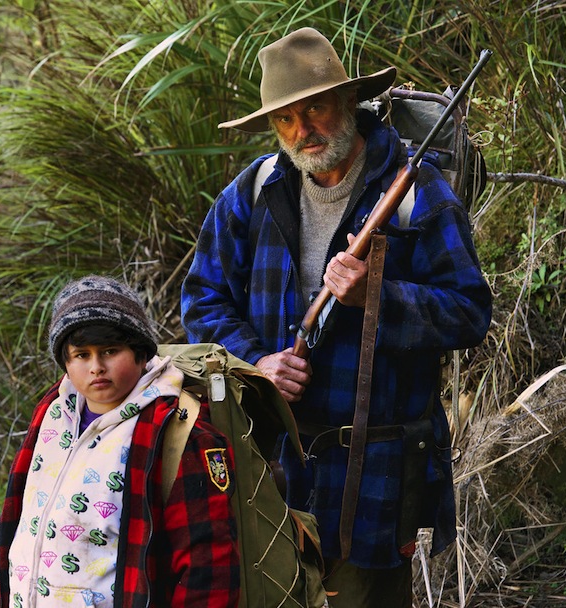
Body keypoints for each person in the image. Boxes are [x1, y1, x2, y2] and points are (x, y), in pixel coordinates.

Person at [181, 27, 492, 607]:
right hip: (274, 467)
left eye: (316, 108)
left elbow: (470, 313)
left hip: (375, 473)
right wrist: (256, 364)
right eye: (286, 119)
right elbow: (201, 300)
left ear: (349, 102)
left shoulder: (416, 194)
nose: (304, 131)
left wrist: (379, 296)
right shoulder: (251, 194)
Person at [0, 275, 239, 608]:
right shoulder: (52, 413)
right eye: (81, 355)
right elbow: (15, 519)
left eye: (110, 351)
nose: (96, 368)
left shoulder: (176, 432)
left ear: (139, 353)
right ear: (65, 361)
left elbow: (207, 567)